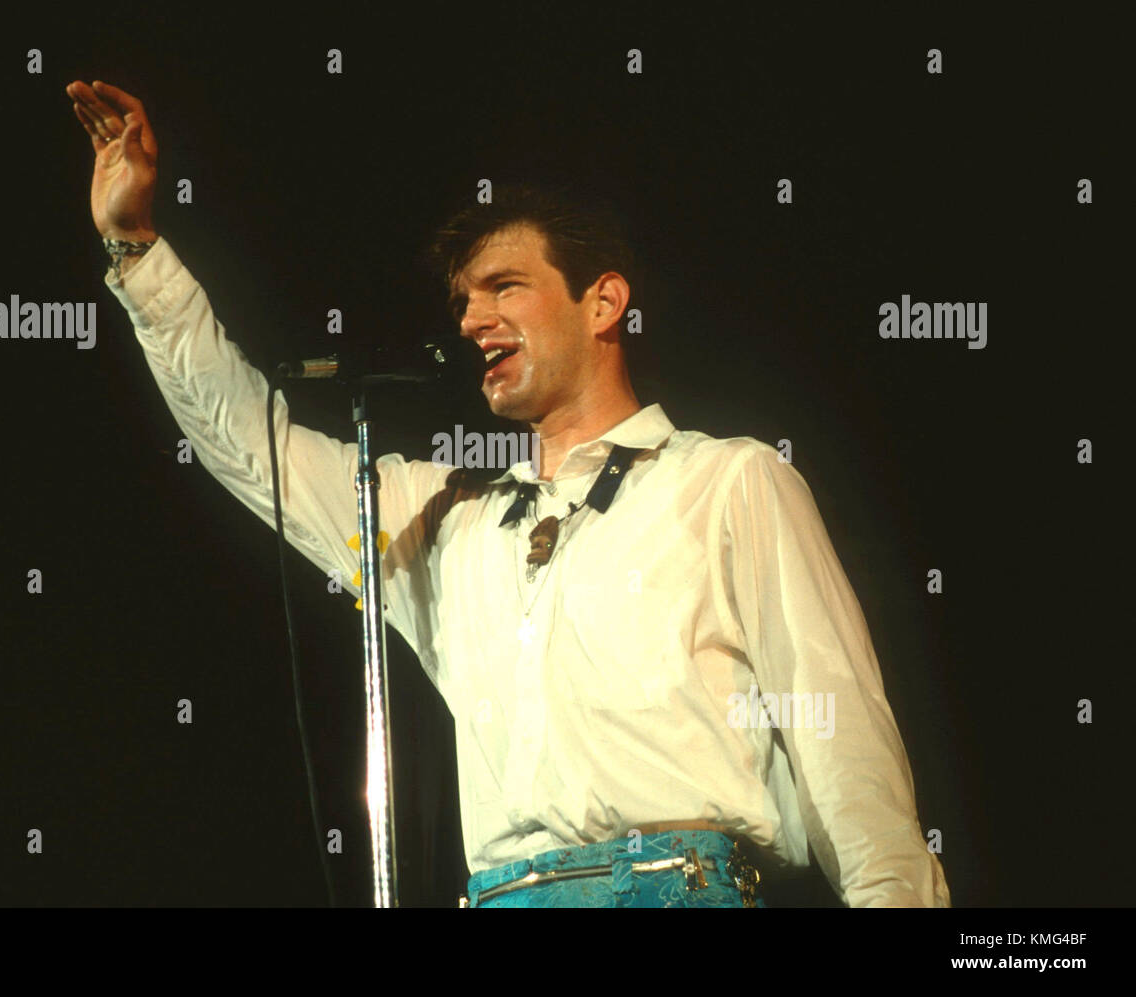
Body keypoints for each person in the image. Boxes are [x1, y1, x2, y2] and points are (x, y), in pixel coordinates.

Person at [65, 78, 952, 908]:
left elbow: (847, 753)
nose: (470, 318)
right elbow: (251, 444)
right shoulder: (446, 519)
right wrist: (135, 245)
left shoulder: (729, 481)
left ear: (602, 303)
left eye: (504, 288)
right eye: (462, 300)